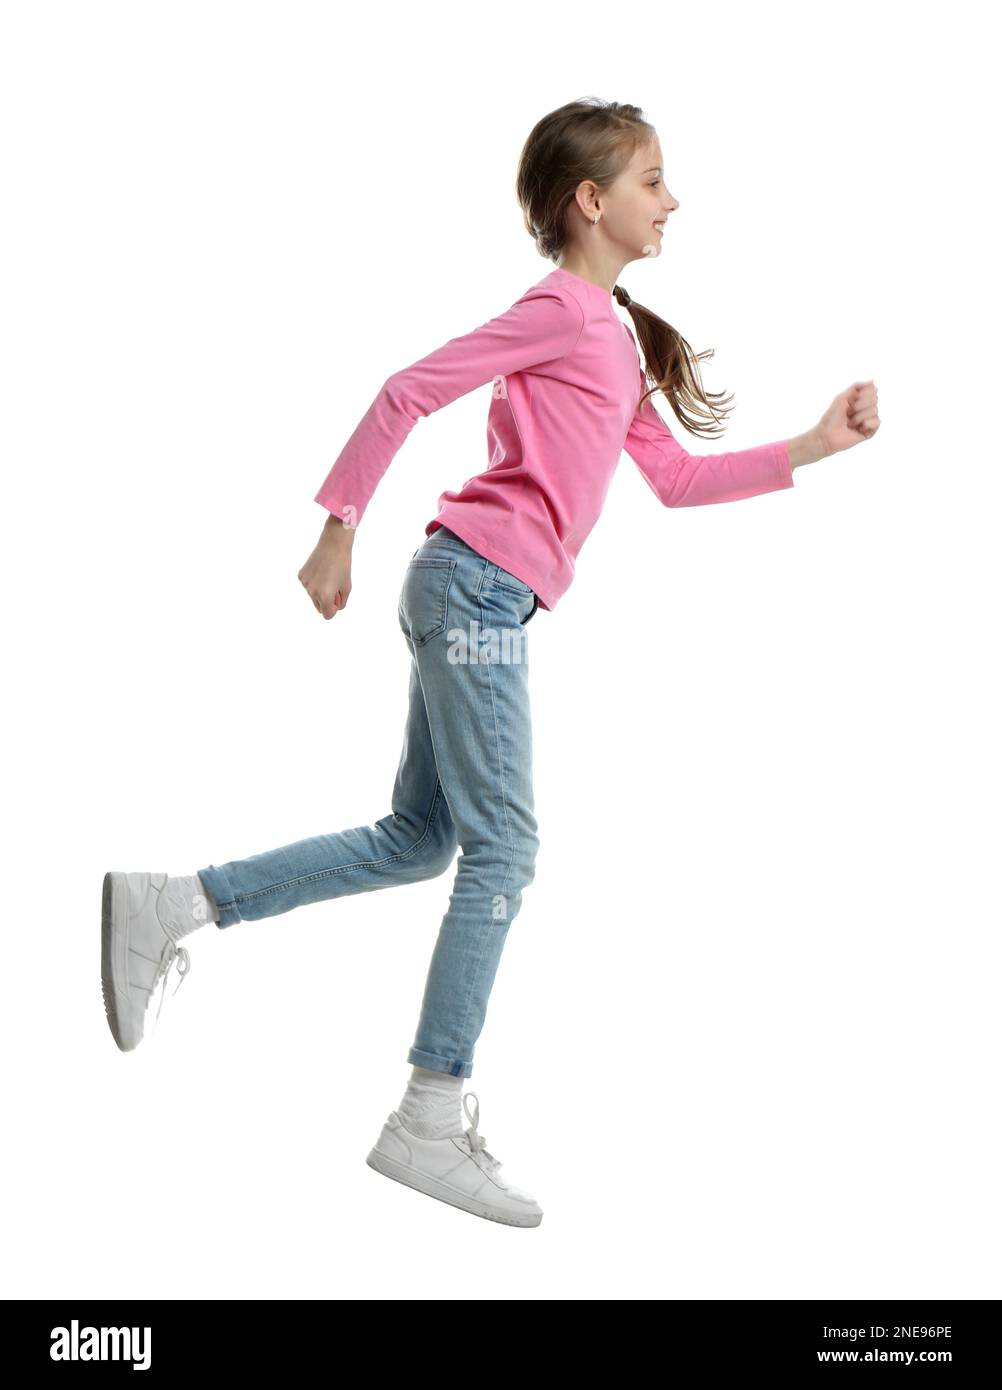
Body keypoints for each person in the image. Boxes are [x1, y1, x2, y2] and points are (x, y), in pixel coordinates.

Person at [100, 98, 880, 1229]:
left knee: (421, 838)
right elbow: (410, 386)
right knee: (503, 845)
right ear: (591, 201)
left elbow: (676, 482)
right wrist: (336, 525)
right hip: (472, 589)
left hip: (477, 593)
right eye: (655, 181)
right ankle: (429, 1110)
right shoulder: (561, 309)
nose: (674, 201)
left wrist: (814, 445)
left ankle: (172, 903)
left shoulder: (610, 334)